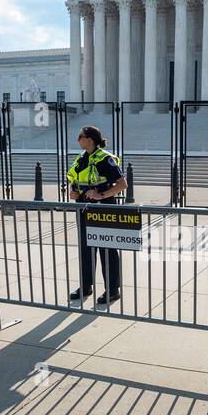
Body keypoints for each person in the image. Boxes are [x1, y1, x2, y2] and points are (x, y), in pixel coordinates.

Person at [66, 125, 126, 305]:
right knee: (85, 248)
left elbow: (122, 184)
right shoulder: (81, 158)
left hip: (104, 208)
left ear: (90, 139)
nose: (78, 140)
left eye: (80, 136)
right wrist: (73, 191)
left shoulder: (104, 159)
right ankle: (86, 286)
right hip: (84, 208)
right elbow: (75, 181)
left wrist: (101, 195)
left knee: (106, 248)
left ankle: (113, 290)